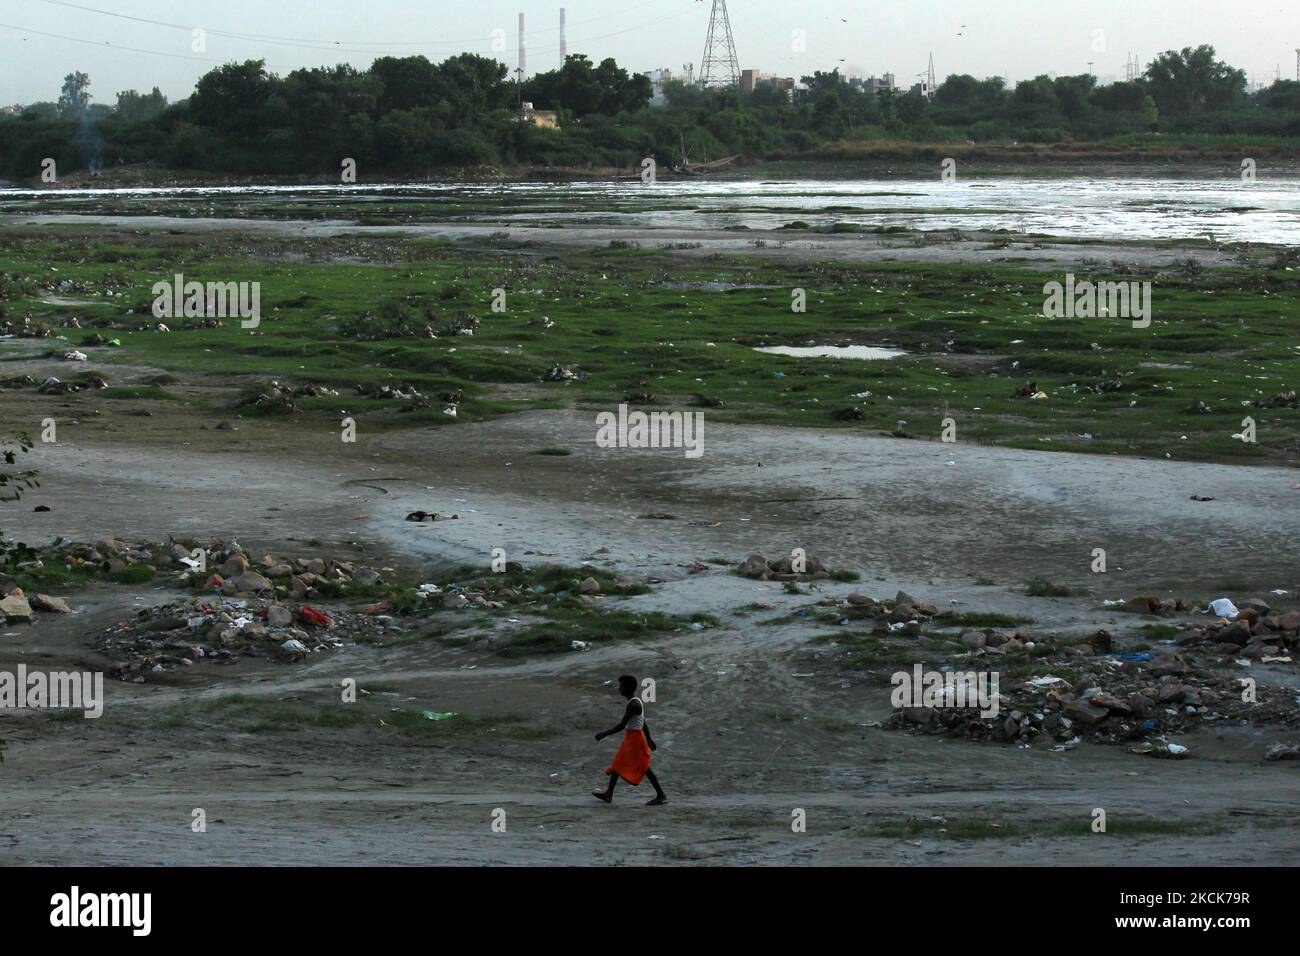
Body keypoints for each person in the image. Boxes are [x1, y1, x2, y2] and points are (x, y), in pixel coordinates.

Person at [592, 675, 667, 806]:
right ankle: (608, 794)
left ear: (627, 688)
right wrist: (649, 739)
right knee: (618, 763)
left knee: (644, 767)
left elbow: (622, 725)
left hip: (635, 739)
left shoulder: (633, 704)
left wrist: (604, 734)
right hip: (632, 738)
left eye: (621, 685)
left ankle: (661, 795)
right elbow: (643, 722)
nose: (619, 688)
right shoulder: (634, 701)